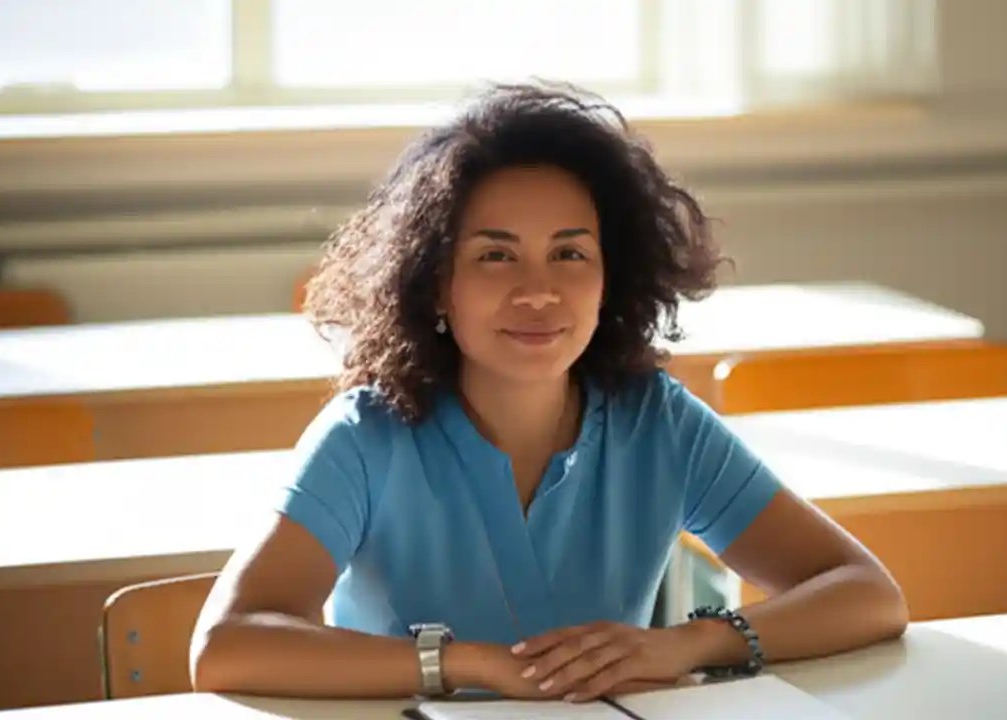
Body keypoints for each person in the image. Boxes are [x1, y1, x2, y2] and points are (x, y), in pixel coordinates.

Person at [190, 81, 907, 703]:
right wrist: (469, 664)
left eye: (570, 253)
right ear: (437, 283)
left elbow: (866, 594)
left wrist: (685, 646)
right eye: (495, 256)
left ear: (609, 279)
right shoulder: (366, 434)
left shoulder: (657, 421)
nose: (538, 291)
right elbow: (226, 646)